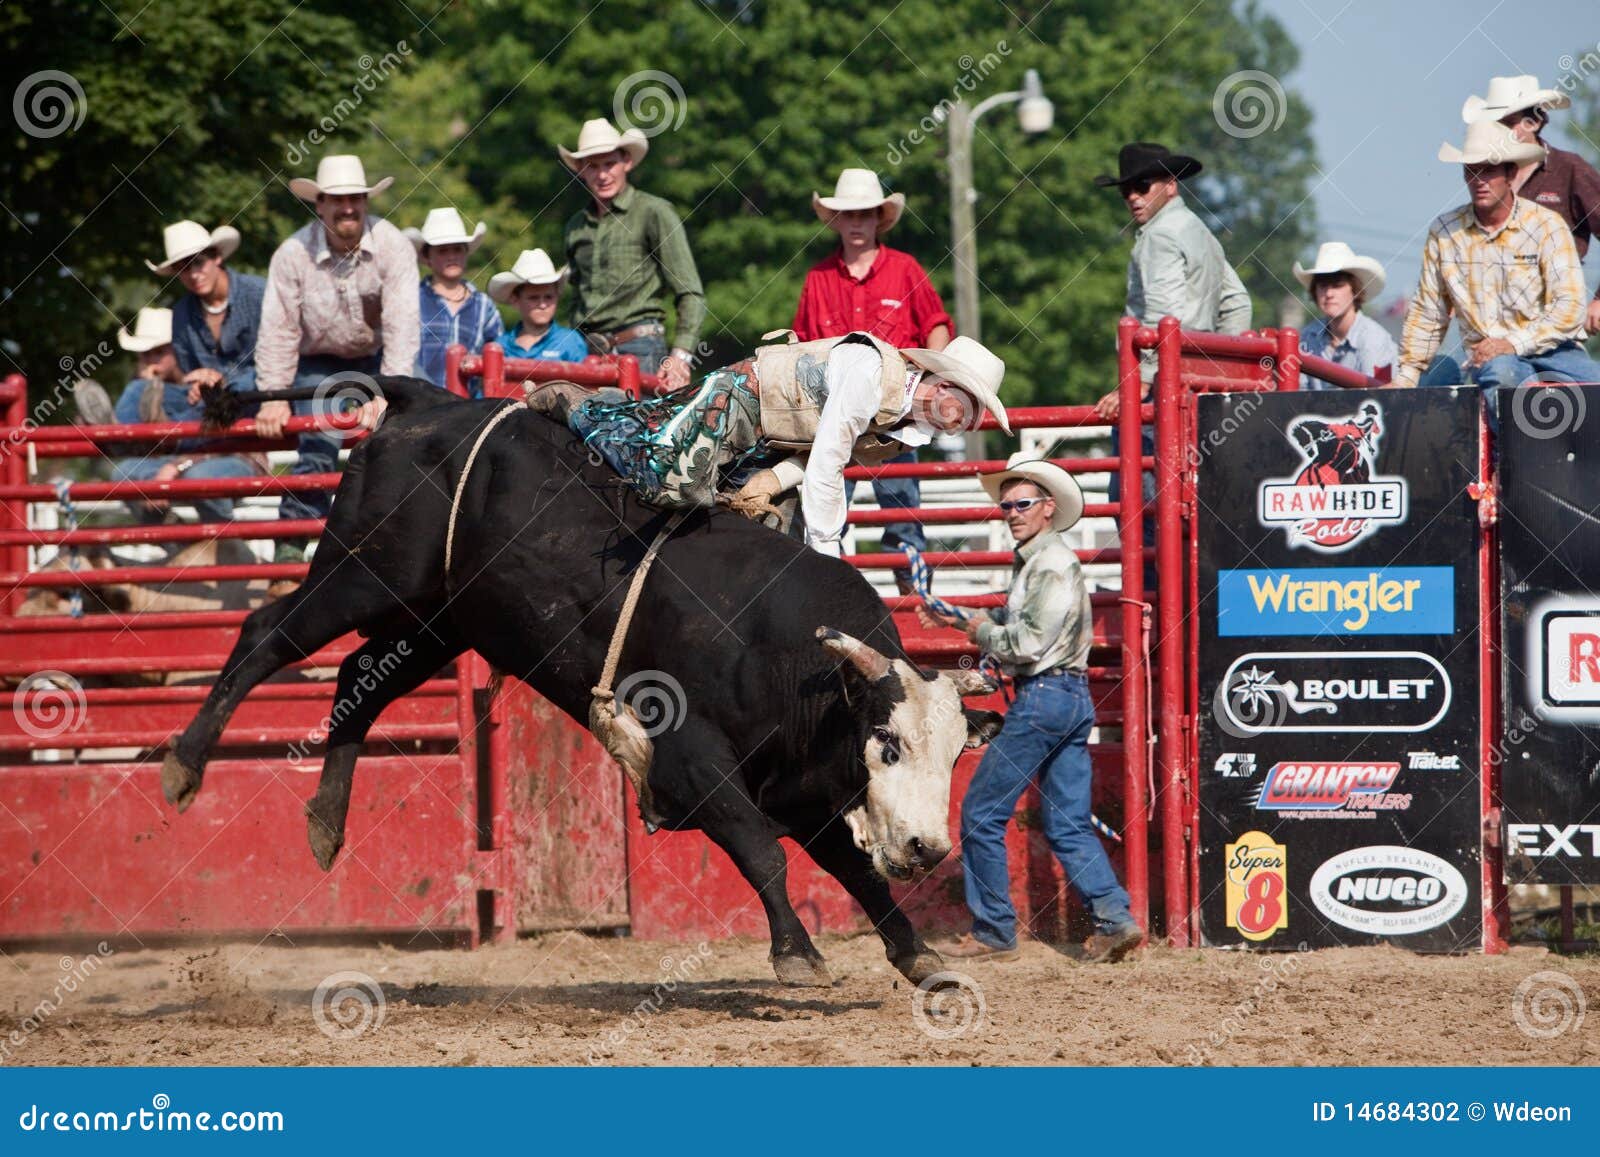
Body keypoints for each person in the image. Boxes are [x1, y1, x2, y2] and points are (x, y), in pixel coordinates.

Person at [922, 454, 1143, 964]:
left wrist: (978, 630)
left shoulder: (1048, 564)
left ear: (1047, 508)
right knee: (1066, 822)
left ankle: (996, 931)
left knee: (980, 814)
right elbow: (1027, 627)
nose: (1012, 513)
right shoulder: (1047, 562)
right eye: (1006, 506)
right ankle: (1114, 918)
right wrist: (970, 622)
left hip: (1043, 698)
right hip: (1070, 699)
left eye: (1022, 504)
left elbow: (1030, 642)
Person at [529, 332, 1009, 558]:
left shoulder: (904, 429)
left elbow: (815, 455)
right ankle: (579, 404)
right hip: (742, 399)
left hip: (771, 442)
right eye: (968, 407)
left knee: (768, 523)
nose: (968, 422)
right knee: (673, 485)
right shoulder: (871, 373)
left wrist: (771, 480)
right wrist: (828, 556)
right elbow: (826, 463)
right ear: (943, 386)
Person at [256, 154, 420, 596]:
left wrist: (390, 389)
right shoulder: (293, 255)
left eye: (355, 200)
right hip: (319, 362)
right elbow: (279, 328)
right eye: (338, 201)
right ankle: (290, 555)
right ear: (320, 205)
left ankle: (409, 549)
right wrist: (273, 394)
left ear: (365, 202)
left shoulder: (392, 246)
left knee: (418, 426)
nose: (348, 209)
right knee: (315, 441)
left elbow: (404, 323)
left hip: (379, 358)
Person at [1092, 143, 1251, 585]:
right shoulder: (1198, 230)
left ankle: (1149, 601)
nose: (1133, 197)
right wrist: (1221, 371)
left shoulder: (1160, 237)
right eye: (1126, 190)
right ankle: (1187, 601)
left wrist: (1136, 384)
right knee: (1192, 507)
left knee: (1137, 503)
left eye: (1142, 186)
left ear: (1168, 185)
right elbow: (1237, 302)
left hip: (1161, 393)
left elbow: (1160, 320)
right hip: (1196, 393)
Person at [794, 168, 954, 591]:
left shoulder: (904, 269)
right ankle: (833, 599)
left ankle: (914, 599)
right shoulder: (818, 279)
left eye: (864, 214)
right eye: (849, 215)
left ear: (878, 218)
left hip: (894, 416)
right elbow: (801, 351)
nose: (857, 223)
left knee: (901, 516)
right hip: (836, 418)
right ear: (838, 221)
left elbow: (937, 325)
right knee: (829, 515)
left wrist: (935, 372)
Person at [1397, 122, 1599, 427]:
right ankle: (1514, 467)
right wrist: (1407, 374)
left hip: (1555, 349)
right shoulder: (1445, 233)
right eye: (1471, 170)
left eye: (1489, 170)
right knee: (1503, 375)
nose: (1479, 179)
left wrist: (1515, 343)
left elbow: (1568, 308)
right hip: (1491, 358)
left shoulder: (1546, 225)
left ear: (1510, 174)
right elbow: (1429, 311)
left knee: (1593, 391)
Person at [559, 118, 704, 390]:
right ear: (581, 170)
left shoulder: (653, 211)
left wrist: (681, 356)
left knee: (637, 429)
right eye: (593, 166)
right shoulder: (575, 226)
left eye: (609, 164)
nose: (602, 175)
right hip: (587, 353)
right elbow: (576, 300)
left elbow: (690, 292)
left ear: (626, 161)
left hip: (641, 348)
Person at [1463, 74, 1600, 336]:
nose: (1499, 131)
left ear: (1534, 122)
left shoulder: (1570, 169)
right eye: (1495, 124)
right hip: (1490, 319)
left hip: (1555, 314)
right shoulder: (1488, 174)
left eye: (1507, 123)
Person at [101, 308, 264, 524]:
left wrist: (175, 467)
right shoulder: (150, 394)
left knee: (198, 478)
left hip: (233, 456)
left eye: (158, 352)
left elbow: (222, 439)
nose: (151, 361)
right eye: (145, 355)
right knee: (123, 474)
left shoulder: (206, 377)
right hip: (180, 461)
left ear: (177, 349)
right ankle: (179, 546)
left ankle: (225, 546)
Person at [147, 219, 266, 400]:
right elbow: (189, 372)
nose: (194, 275)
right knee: (139, 391)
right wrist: (197, 380)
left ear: (217, 257)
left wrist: (225, 381)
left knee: (244, 385)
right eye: (184, 269)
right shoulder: (181, 313)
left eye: (199, 263)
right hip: (208, 400)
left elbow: (278, 357)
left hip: (261, 392)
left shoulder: (258, 293)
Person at [405, 207, 502, 393]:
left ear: (466, 254)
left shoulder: (484, 307)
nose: (451, 256)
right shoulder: (411, 299)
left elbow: (498, 358)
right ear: (427, 257)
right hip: (420, 405)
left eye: (457, 249)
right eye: (442, 251)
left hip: (468, 410)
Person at [1292, 242, 1397, 389]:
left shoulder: (1375, 341)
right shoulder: (1306, 338)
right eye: (1323, 286)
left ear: (1355, 290)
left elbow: (1376, 400)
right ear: (1315, 292)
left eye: (1337, 285)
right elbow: (1296, 394)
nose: (1329, 294)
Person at [488, 249, 588, 363]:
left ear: (557, 297)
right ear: (515, 300)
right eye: (533, 298)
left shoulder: (571, 342)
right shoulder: (500, 347)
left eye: (549, 297)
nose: (543, 304)